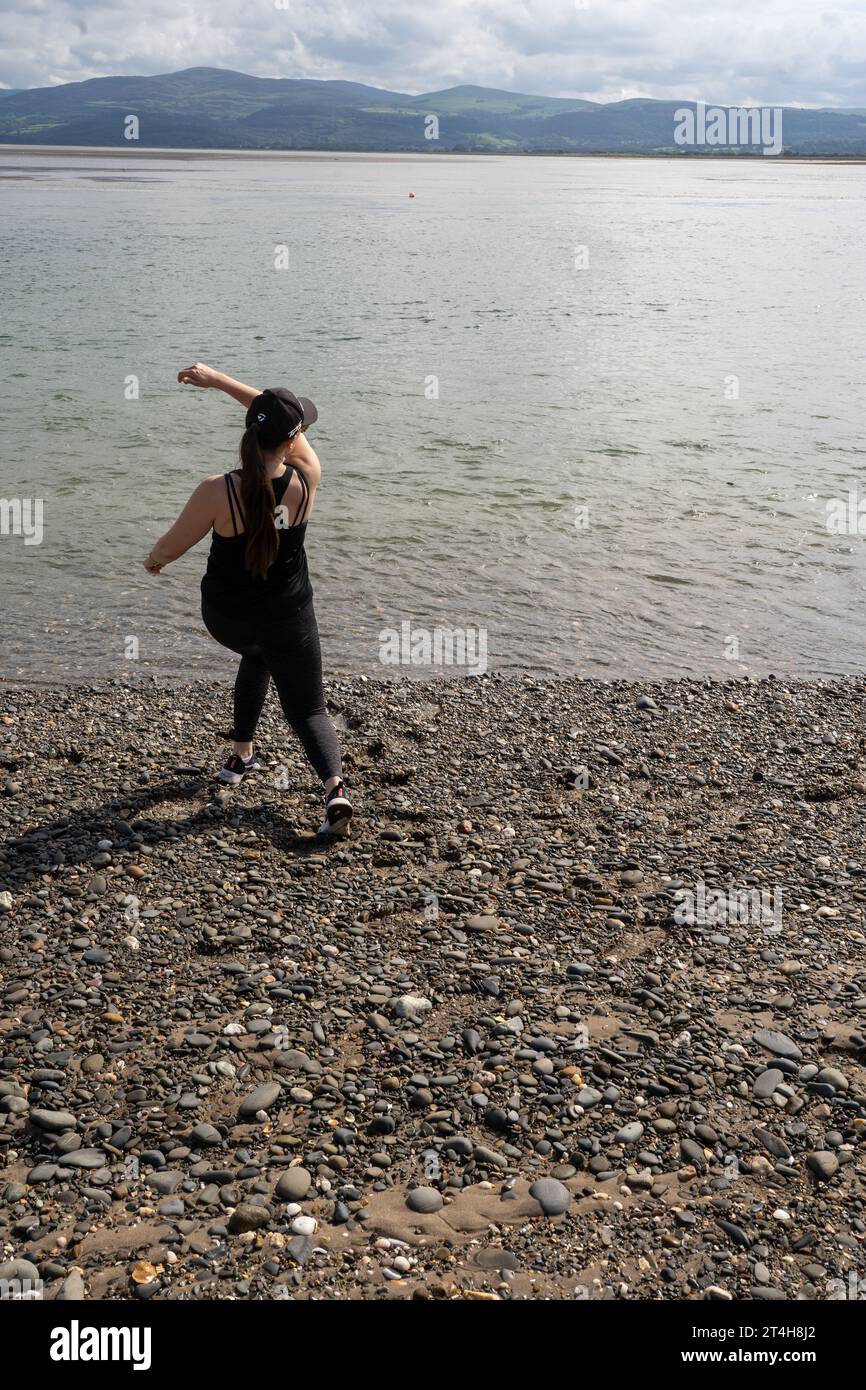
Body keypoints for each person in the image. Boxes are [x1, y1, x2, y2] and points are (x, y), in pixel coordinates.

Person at [142, 362, 352, 837]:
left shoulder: (217, 491)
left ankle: (240, 756)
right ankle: (335, 790)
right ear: (293, 441)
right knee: (309, 709)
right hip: (288, 617)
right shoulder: (306, 478)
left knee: (256, 654)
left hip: (228, 618)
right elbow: (279, 422)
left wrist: (154, 561)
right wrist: (222, 382)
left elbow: (171, 548)